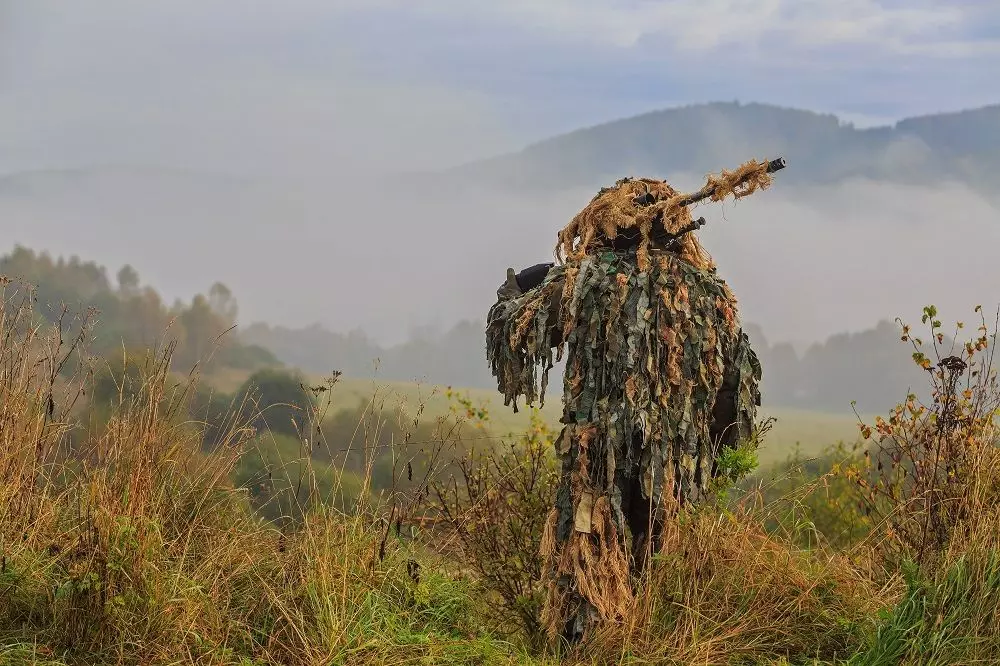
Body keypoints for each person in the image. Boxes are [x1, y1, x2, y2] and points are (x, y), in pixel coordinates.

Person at [486, 163, 774, 645]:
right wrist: (712, 460)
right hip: (673, 473)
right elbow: (736, 390)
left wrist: (518, 287)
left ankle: (588, 651)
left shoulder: (583, 283)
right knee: (661, 579)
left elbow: (508, 337)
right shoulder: (709, 293)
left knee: (589, 576)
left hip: (594, 466)